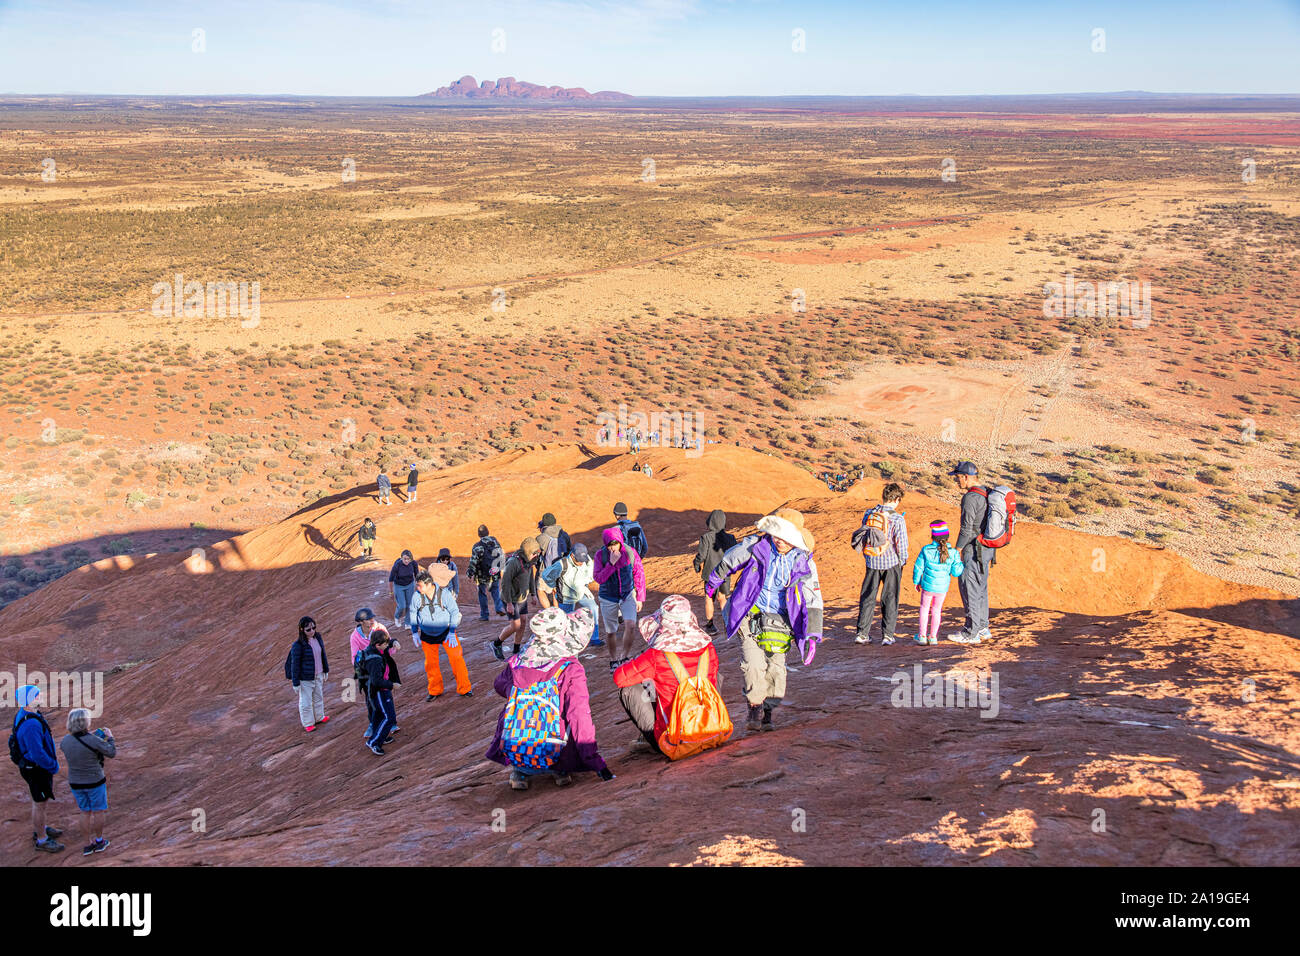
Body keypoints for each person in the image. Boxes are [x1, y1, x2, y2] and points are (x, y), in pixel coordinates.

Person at [706, 508, 823, 733]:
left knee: (776, 668)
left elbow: (813, 595)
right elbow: (730, 560)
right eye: (776, 534)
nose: (779, 540)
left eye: (785, 537)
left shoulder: (803, 561)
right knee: (753, 664)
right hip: (749, 612)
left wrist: (813, 633)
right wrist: (714, 580)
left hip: (781, 621)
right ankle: (754, 706)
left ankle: (768, 711)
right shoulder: (755, 547)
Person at [485, 606, 613, 790]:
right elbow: (578, 715)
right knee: (567, 715)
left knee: (510, 711)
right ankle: (559, 770)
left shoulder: (518, 662)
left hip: (518, 750)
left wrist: (521, 692)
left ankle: (520, 771)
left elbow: (499, 684)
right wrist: (594, 760)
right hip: (555, 752)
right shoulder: (569, 669)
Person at [612, 595, 722, 755]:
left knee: (630, 689)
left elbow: (619, 678)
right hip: (711, 728)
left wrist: (635, 661)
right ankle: (705, 728)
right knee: (714, 676)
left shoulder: (656, 655)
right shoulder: (708, 648)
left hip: (675, 738)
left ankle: (652, 739)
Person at [852, 482, 909, 646]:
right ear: (897, 499)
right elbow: (901, 544)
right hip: (891, 563)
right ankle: (888, 635)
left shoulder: (869, 513)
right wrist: (902, 561)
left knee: (868, 596)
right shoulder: (897, 518)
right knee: (890, 598)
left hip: (872, 560)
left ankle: (862, 634)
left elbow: (864, 534)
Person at [12, 685, 64, 853]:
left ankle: (41, 827)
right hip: (37, 769)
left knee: (40, 801)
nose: (41, 696)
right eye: (37, 695)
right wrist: (53, 765)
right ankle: (41, 839)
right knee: (39, 803)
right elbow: (37, 754)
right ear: (28, 700)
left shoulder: (27, 715)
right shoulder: (31, 724)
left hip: (33, 767)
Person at [949, 461, 997, 644]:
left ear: (966, 477)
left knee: (969, 588)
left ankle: (971, 632)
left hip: (973, 548)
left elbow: (966, 529)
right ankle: (983, 627)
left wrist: (957, 550)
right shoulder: (987, 492)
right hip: (987, 549)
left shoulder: (970, 498)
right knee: (981, 587)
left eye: (958, 477)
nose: (957, 481)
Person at [59, 709, 115, 856]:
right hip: (94, 781)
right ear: (86, 722)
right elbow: (111, 752)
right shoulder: (93, 740)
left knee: (85, 812)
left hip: (76, 782)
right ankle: (99, 841)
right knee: (98, 811)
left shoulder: (65, 741)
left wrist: (90, 736)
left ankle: (87, 844)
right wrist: (110, 738)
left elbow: (78, 746)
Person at [410, 567, 471, 699]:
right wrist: (414, 632)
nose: (417, 588)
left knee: (457, 659)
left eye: (420, 586)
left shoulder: (444, 594)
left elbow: (455, 611)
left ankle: (464, 688)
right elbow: (413, 614)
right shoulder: (416, 596)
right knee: (431, 664)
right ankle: (435, 690)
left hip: (446, 632)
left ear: (428, 585)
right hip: (427, 635)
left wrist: (452, 631)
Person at [592, 525, 646, 669]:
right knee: (611, 632)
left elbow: (639, 573)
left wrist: (640, 597)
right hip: (608, 597)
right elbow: (599, 578)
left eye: (615, 544)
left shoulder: (630, 552)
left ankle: (624, 656)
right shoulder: (600, 556)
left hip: (627, 594)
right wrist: (611, 564)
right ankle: (614, 659)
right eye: (610, 545)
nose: (613, 548)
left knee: (631, 625)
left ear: (620, 542)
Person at [912, 520, 965, 645]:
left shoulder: (926, 550)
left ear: (933, 536)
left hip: (927, 586)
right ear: (947, 537)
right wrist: (960, 562)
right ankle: (933, 637)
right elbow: (956, 572)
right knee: (937, 610)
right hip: (942, 588)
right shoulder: (952, 553)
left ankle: (922, 636)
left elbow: (918, 567)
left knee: (924, 609)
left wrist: (916, 581)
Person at [542, 542, 602, 646]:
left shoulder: (586, 560)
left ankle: (594, 637)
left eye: (582, 560)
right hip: (566, 595)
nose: (581, 563)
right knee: (566, 621)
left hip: (581, 591)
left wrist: (583, 585)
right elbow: (546, 575)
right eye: (579, 561)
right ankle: (565, 643)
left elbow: (590, 575)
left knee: (594, 608)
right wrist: (554, 586)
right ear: (572, 555)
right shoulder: (561, 564)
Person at [491, 537, 541, 661]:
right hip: (510, 598)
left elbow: (530, 577)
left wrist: (533, 594)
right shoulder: (513, 562)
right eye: (534, 553)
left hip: (521, 598)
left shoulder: (530, 562)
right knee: (516, 625)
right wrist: (509, 603)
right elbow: (505, 583)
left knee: (523, 622)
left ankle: (516, 650)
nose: (536, 555)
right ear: (528, 552)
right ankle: (496, 643)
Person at [349, 608, 396, 736]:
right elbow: (355, 657)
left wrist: (393, 645)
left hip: (381, 667)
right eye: (369, 619)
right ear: (361, 622)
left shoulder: (380, 628)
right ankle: (373, 724)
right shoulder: (355, 636)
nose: (372, 620)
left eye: (372, 618)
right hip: (366, 672)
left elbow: (388, 646)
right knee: (370, 698)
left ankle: (392, 722)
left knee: (386, 694)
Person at [693, 509, 737, 636]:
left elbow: (701, 555)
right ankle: (726, 623)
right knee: (722, 598)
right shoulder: (730, 538)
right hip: (725, 574)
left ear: (710, 522)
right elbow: (735, 553)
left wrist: (696, 564)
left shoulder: (706, 537)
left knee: (709, 598)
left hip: (710, 575)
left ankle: (711, 625)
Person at [358, 629, 401, 755]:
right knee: (389, 717)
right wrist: (391, 685)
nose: (387, 646)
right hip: (380, 690)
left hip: (377, 690)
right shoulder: (375, 660)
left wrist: (393, 641)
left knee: (380, 715)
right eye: (385, 644)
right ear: (378, 645)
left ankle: (380, 735)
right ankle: (374, 742)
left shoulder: (376, 650)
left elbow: (387, 644)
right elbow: (376, 680)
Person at [286, 616, 330, 731]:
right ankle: (308, 723)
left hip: (318, 674)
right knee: (306, 702)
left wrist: (326, 670)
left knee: (318, 697)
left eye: (313, 628)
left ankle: (319, 717)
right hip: (305, 678)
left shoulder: (318, 638)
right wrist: (295, 683)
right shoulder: (298, 645)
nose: (312, 631)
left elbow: (322, 655)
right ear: (302, 630)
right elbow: (294, 665)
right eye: (308, 629)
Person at [469, 525, 507, 621]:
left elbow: (474, 561)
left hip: (482, 575)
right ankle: (499, 608)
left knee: (482, 593)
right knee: (495, 590)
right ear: (488, 532)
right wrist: (501, 569)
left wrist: (470, 573)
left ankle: (485, 615)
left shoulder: (477, 547)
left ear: (479, 535)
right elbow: (501, 555)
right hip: (494, 572)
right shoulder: (495, 542)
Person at [388, 549, 420, 627]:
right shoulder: (397, 565)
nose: (406, 561)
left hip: (410, 584)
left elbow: (417, 575)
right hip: (399, 585)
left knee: (410, 604)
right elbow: (391, 579)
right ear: (401, 558)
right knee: (402, 605)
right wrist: (391, 592)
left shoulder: (413, 563)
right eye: (404, 559)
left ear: (411, 559)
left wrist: (419, 585)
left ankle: (407, 622)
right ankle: (397, 617)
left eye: (408, 559)